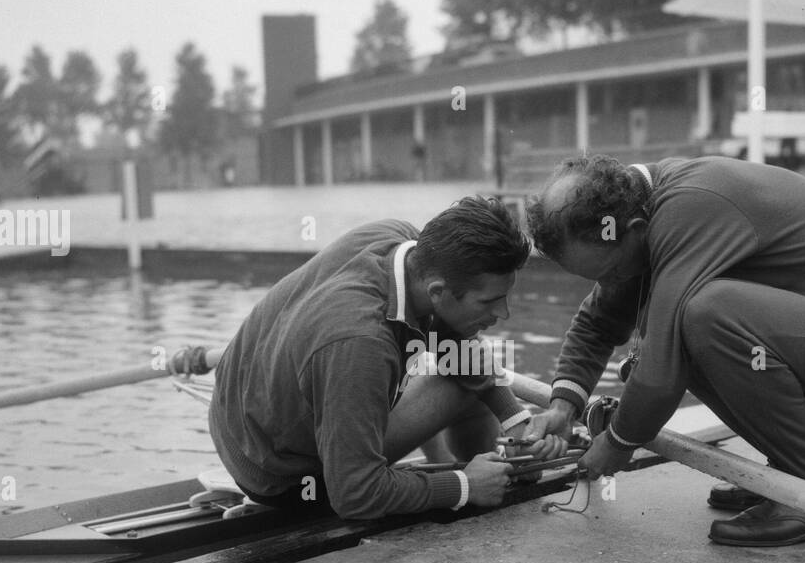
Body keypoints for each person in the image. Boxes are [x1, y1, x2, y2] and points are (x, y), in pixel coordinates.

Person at [524, 154, 805, 547]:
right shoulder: (639, 210)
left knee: (702, 314)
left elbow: (660, 375)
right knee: (687, 320)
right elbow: (598, 321)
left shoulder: (690, 208)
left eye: (613, 271)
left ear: (631, 230)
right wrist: (563, 408)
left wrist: (617, 442)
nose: (612, 282)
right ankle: (787, 473)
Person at [209, 196, 566, 521]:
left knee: (468, 369)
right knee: (464, 388)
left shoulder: (398, 239)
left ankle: (500, 465)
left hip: (240, 418)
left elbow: (447, 337)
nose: (503, 314)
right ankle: (487, 488)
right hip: (281, 476)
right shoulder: (361, 343)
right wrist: (463, 487)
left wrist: (515, 420)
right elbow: (354, 496)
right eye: (489, 302)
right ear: (438, 292)